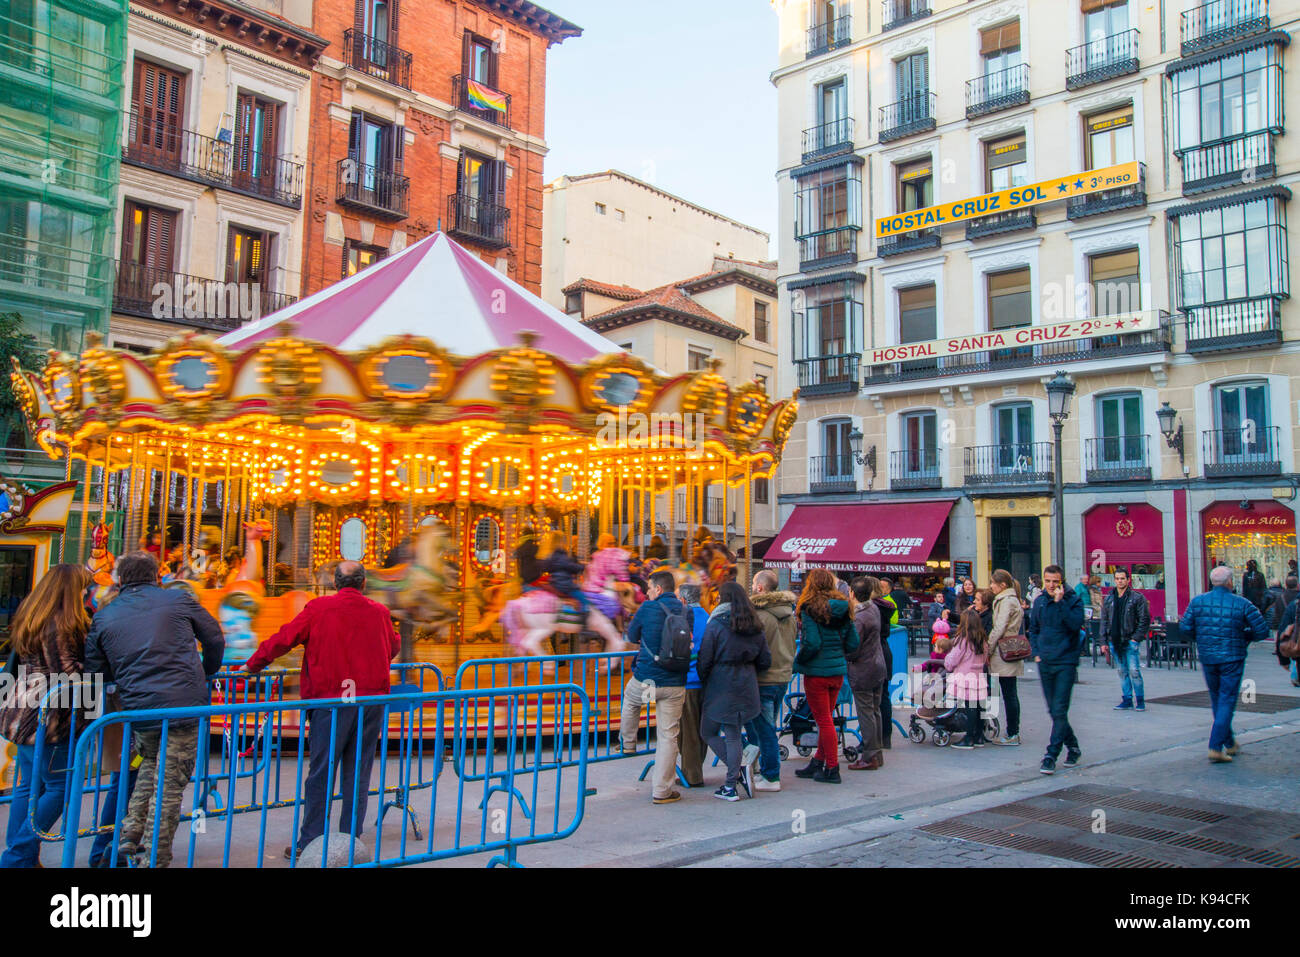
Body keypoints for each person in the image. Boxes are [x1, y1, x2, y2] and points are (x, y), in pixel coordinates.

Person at [245, 561, 399, 860]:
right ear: (364, 583)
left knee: (322, 771)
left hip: (331, 700)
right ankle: (350, 842)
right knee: (358, 771)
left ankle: (311, 840)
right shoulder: (379, 612)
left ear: (335, 583)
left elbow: (284, 638)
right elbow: (392, 647)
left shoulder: (319, 609)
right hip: (368, 703)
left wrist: (254, 663)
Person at [84, 551, 224, 867]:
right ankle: (155, 858)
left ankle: (129, 837)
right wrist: (208, 670)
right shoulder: (177, 601)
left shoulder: (104, 616)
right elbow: (213, 636)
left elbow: (95, 671)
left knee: (148, 766)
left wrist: (120, 682)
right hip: (183, 705)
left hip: (138, 708)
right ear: (156, 576)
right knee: (170, 786)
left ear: (120, 580)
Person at [0, 565, 94, 867]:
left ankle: (22, 855)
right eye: (82, 588)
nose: (85, 593)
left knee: (29, 787)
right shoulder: (61, 623)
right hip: (49, 718)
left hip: (24, 710)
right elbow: (65, 672)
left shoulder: (33, 615)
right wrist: (99, 671)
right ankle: (16, 856)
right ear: (71, 591)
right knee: (60, 787)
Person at [1179, 566, 1269, 763]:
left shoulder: (1198, 602)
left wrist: (1201, 639)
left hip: (1208, 656)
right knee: (1227, 699)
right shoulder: (1242, 603)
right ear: (1230, 582)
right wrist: (1244, 636)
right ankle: (1215, 746)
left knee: (1217, 699)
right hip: (1232, 656)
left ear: (1212, 582)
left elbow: (1185, 627)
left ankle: (1229, 742)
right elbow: (1262, 630)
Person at [618, 570, 688, 804]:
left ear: (658, 589)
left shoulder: (647, 608)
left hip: (648, 682)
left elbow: (631, 634)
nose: (647, 592)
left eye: (648, 588)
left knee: (631, 699)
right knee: (668, 736)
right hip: (675, 685)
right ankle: (662, 791)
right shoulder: (685, 610)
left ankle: (628, 743)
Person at [697, 582, 770, 801]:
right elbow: (765, 659)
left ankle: (731, 783)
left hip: (721, 682)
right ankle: (737, 773)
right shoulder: (755, 624)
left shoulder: (716, 624)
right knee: (733, 733)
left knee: (712, 732)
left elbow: (705, 659)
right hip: (746, 682)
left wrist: (706, 678)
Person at [793, 568, 859, 784]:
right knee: (827, 718)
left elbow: (812, 642)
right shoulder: (844, 608)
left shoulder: (810, 608)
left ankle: (832, 766)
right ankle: (819, 760)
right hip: (837, 670)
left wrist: (799, 661)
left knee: (823, 721)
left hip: (816, 671)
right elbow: (853, 643)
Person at [1027, 564, 1085, 775]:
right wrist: (1036, 652)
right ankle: (1074, 747)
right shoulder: (1040, 601)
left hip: (1066, 662)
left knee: (1060, 709)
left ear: (1062, 581)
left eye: (1055, 582)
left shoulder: (1073, 601)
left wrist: (1060, 603)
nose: (1051, 585)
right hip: (1045, 661)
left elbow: (1075, 625)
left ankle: (1051, 755)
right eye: (1048, 581)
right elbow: (1033, 629)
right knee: (1054, 710)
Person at [746, 570, 797, 791]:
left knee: (764, 729)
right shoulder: (789, 614)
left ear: (760, 588)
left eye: (754, 582)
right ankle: (762, 768)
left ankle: (771, 775)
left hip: (764, 677)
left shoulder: (761, 616)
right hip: (782, 674)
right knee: (766, 725)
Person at [846, 577, 887, 770]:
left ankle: (870, 755)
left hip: (863, 669)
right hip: (877, 665)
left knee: (866, 713)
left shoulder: (859, 617)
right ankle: (876, 753)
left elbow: (853, 647)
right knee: (874, 710)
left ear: (852, 593)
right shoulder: (874, 609)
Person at [1101, 568, 1152, 712]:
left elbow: (1144, 619)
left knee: (1134, 671)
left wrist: (1136, 639)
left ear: (1128, 579)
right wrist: (1103, 641)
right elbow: (1104, 620)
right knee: (1122, 671)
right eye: (1117, 578)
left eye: (1122, 578)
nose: (1119, 581)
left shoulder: (1137, 597)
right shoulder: (1109, 598)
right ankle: (1127, 700)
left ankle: (1140, 701)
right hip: (1115, 640)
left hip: (1130, 640)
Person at [676, 583, 711, 789]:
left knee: (687, 729)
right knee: (699, 727)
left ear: (683, 599)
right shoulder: (709, 618)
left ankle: (692, 774)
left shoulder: (682, 618)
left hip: (688, 680)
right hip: (705, 680)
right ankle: (696, 766)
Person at [986, 569, 1025, 746]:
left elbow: (999, 627)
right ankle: (1012, 731)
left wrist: (988, 647)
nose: (991, 586)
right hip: (1010, 648)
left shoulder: (1006, 601)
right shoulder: (1011, 599)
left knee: (1007, 693)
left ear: (1002, 585)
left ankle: (1012, 733)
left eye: (993, 582)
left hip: (1003, 650)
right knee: (1009, 692)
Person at [945, 607, 990, 749]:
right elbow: (985, 658)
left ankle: (968, 738)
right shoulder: (982, 639)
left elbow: (953, 659)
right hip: (978, 676)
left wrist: (947, 663)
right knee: (977, 707)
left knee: (970, 707)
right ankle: (979, 736)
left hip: (965, 676)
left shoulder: (962, 639)